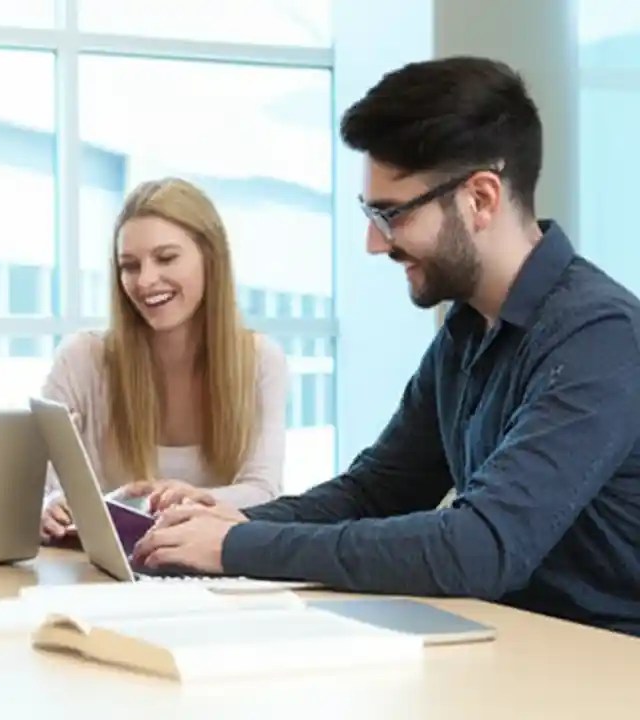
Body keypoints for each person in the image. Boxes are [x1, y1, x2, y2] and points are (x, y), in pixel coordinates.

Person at [132, 56, 640, 637]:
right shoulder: (468, 329)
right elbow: (377, 491)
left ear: (480, 198)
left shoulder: (600, 336)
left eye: (391, 214)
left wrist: (237, 544)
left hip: (606, 670)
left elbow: (480, 547)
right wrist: (230, 520)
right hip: (508, 647)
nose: (375, 242)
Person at [40, 177, 289, 542]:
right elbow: (40, 485)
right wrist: (51, 505)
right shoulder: (81, 359)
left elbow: (263, 491)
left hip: (209, 570)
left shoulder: (261, 361)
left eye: (166, 258)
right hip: (98, 576)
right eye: (129, 265)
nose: (145, 281)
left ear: (210, 258)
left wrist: (197, 500)